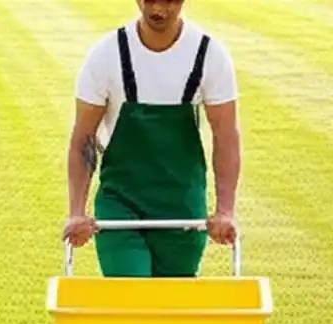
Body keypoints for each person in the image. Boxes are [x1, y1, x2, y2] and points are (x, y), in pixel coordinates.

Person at [63, 0, 241, 277]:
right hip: (120, 203)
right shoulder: (106, 55)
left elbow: (226, 136)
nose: (158, 9)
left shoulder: (208, 55)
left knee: (171, 306)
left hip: (182, 205)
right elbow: (83, 138)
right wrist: (76, 211)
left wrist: (225, 210)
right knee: (131, 292)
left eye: (169, 0)